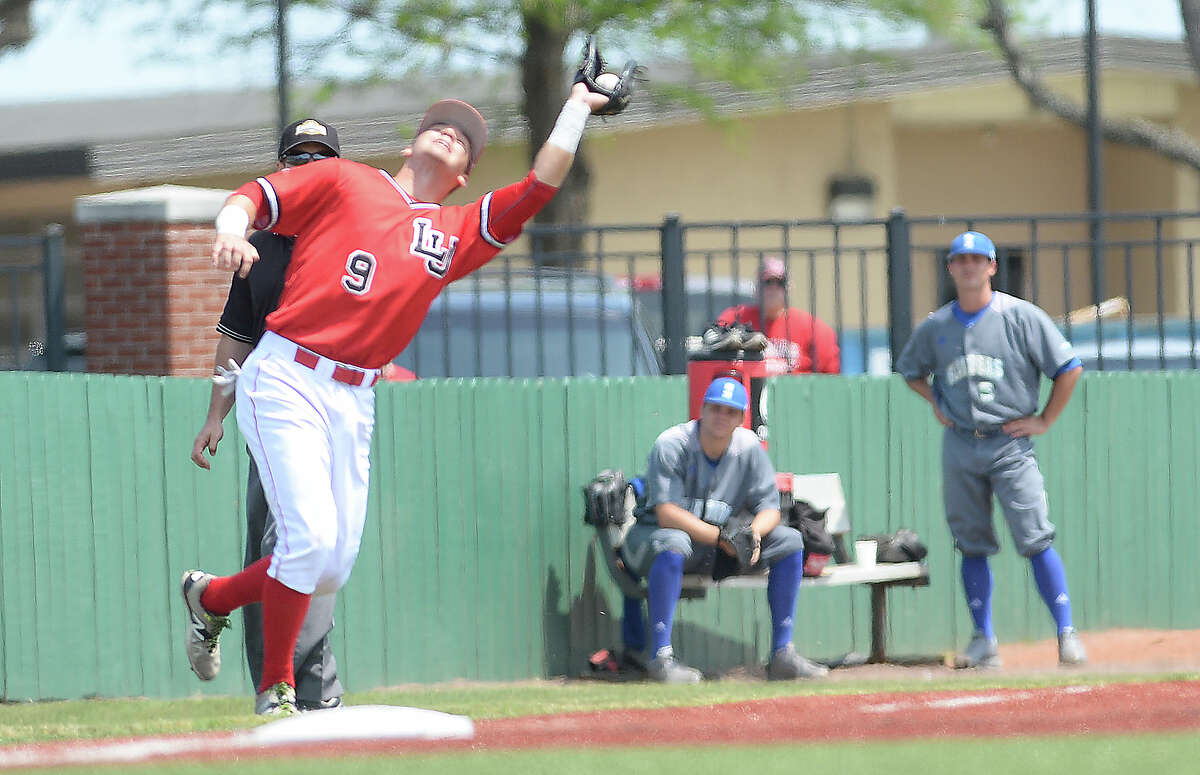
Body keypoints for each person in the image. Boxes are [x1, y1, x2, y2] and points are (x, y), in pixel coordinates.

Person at [181, 82, 622, 716]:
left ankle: (213, 597)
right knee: (306, 543)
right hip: (287, 376)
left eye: (465, 137)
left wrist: (577, 106)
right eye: (440, 124)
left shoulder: (455, 232)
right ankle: (276, 692)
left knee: (328, 567)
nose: (451, 133)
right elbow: (254, 196)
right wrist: (231, 227)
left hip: (356, 396)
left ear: (467, 174)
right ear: (411, 140)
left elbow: (540, 186)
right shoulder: (346, 180)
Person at [189, 118, 345, 711]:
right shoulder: (265, 244)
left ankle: (279, 677)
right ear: (281, 168)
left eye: (320, 157)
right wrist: (214, 415)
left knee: (295, 548)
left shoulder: (352, 231)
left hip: (335, 408)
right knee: (294, 539)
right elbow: (236, 334)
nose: (308, 166)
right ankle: (295, 691)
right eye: (297, 157)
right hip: (272, 405)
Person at [894, 230, 1087, 669]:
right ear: (950, 268)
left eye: (977, 259)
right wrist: (937, 403)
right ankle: (984, 639)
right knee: (971, 543)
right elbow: (910, 370)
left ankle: (1066, 632)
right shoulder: (938, 325)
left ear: (992, 267)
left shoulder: (1020, 316)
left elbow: (1068, 369)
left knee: (1036, 538)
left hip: (1010, 441)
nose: (969, 266)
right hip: (962, 441)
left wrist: (1044, 420)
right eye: (960, 260)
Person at [619, 377, 829, 683]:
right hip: (652, 540)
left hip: (717, 546)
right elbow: (666, 514)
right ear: (702, 409)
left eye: (730, 411)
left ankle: (783, 654)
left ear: (741, 418)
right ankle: (660, 658)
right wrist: (722, 539)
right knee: (674, 542)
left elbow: (770, 508)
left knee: (789, 540)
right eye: (715, 408)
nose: (721, 416)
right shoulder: (673, 444)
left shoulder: (748, 448)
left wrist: (752, 534)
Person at [717, 257, 840, 374]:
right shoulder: (735, 318)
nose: (774, 288)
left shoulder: (814, 328)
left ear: (789, 287)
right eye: (768, 282)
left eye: (780, 282)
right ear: (756, 287)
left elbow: (828, 376)